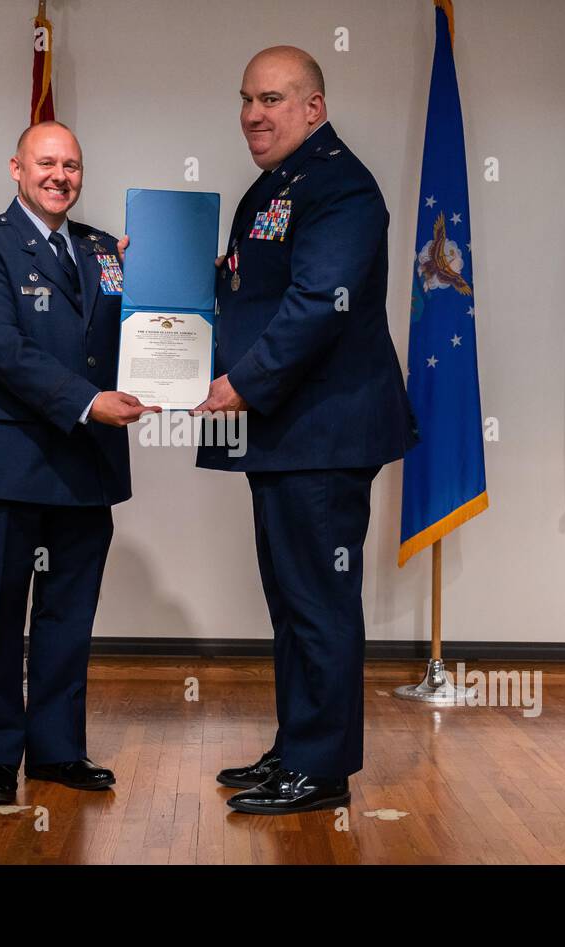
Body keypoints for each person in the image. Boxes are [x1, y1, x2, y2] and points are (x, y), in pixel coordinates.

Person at [194, 48, 418, 814]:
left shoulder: (341, 188)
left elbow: (321, 303)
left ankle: (321, 772)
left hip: (322, 430)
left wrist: (242, 384)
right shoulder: (273, 187)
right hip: (285, 432)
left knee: (320, 600)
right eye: (247, 99)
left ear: (313, 108)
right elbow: (246, 292)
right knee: (293, 599)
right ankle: (297, 747)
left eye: (273, 99)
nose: (254, 114)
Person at [0, 121, 158, 805]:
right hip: (6, 460)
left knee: (69, 614)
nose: (59, 175)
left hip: (84, 464)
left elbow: (140, 328)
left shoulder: (103, 251)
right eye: (46, 163)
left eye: (71, 165)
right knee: (1, 615)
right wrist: (89, 401)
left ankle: (59, 751)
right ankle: (0, 757)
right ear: (16, 168)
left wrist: (178, 283)